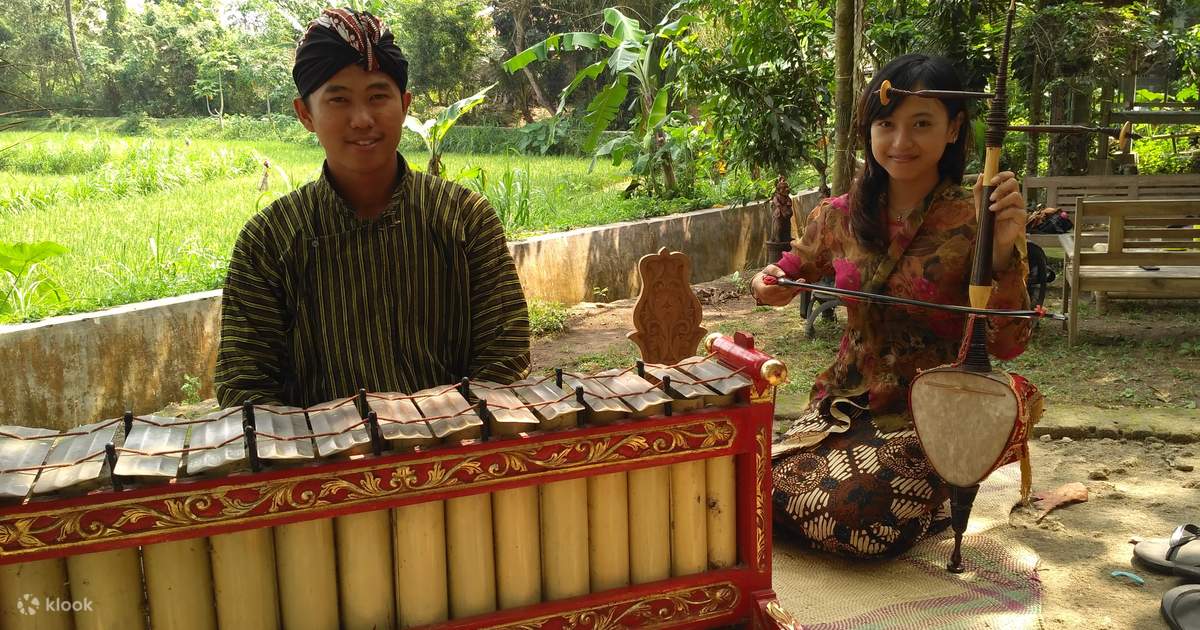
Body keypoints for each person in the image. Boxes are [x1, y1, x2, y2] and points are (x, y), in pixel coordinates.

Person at [753, 53, 1035, 558]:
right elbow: (787, 272)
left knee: (857, 518)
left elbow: (1010, 345)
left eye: (921, 124)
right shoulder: (838, 215)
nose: (900, 143)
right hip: (843, 402)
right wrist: (768, 283)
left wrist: (1000, 254)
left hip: (933, 412)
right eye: (887, 124)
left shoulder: (979, 218)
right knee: (742, 486)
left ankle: (925, 497)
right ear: (870, 130)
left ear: (953, 129)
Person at [215, 8, 529, 409]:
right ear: (305, 114)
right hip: (323, 460)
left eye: (378, 96)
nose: (362, 119)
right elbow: (245, 383)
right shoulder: (269, 240)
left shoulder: (465, 219)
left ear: (405, 104)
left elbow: (505, 356)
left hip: (453, 453)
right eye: (339, 100)